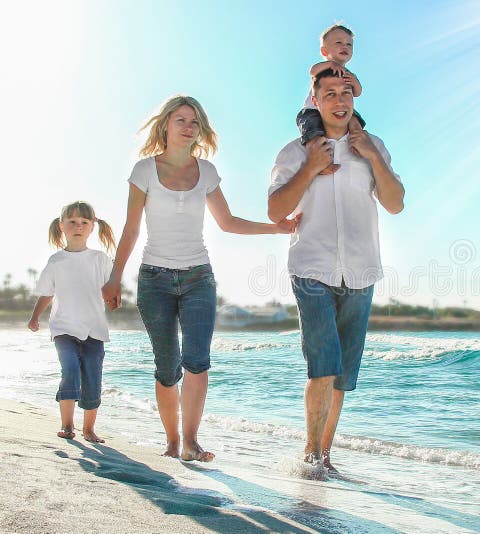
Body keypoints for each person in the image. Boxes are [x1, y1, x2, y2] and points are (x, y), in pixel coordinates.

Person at [103, 95, 298, 462]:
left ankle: (191, 442)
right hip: (154, 279)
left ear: (201, 129)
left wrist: (277, 229)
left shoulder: (206, 172)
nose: (188, 127)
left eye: (194, 121)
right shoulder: (144, 170)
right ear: (165, 125)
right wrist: (115, 278)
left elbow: (228, 222)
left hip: (198, 278)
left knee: (197, 361)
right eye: (180, 120)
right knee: (167, 366)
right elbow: (131, 229)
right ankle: (172, 440)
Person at [269, 69, 405, 474]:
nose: (339, 99)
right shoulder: (294, 151)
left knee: (342, 375)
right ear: (315, 101)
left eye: (346, 92)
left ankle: (325, 456)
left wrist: (374, 158)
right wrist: (310, 167)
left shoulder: (373, 146)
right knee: (323, 366)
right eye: (329, 93)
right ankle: (311, 454)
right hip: (312, 266)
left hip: (362, 272)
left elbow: (395, 203)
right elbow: (275, 211)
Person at [28, 201, 116, 443]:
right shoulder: (56, 261)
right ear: (62, 226)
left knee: (92, 377)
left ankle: (89, 430)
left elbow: (111, 287)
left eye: (84, 223)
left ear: (92, 227)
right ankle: (67, 426)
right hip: (63, 328)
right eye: (73, 222)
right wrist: (35, 316)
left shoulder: (100, 259)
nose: (78, 226)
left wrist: (113, 298)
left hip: (94, 330)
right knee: (69, 370)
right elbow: (47, 292)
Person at [296, 23, 366, 175]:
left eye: (349, 44)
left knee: (355, 119)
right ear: (324, 50)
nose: (345, 46)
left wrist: (353, 80)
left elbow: (358, 92)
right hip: (313, 111)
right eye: (339, 43)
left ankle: (357, 143)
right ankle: (318, 160)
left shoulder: (347, 73)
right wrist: (330, 64)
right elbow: (312, 71)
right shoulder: (325, 67)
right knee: (313, 134)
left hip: (338, 108)